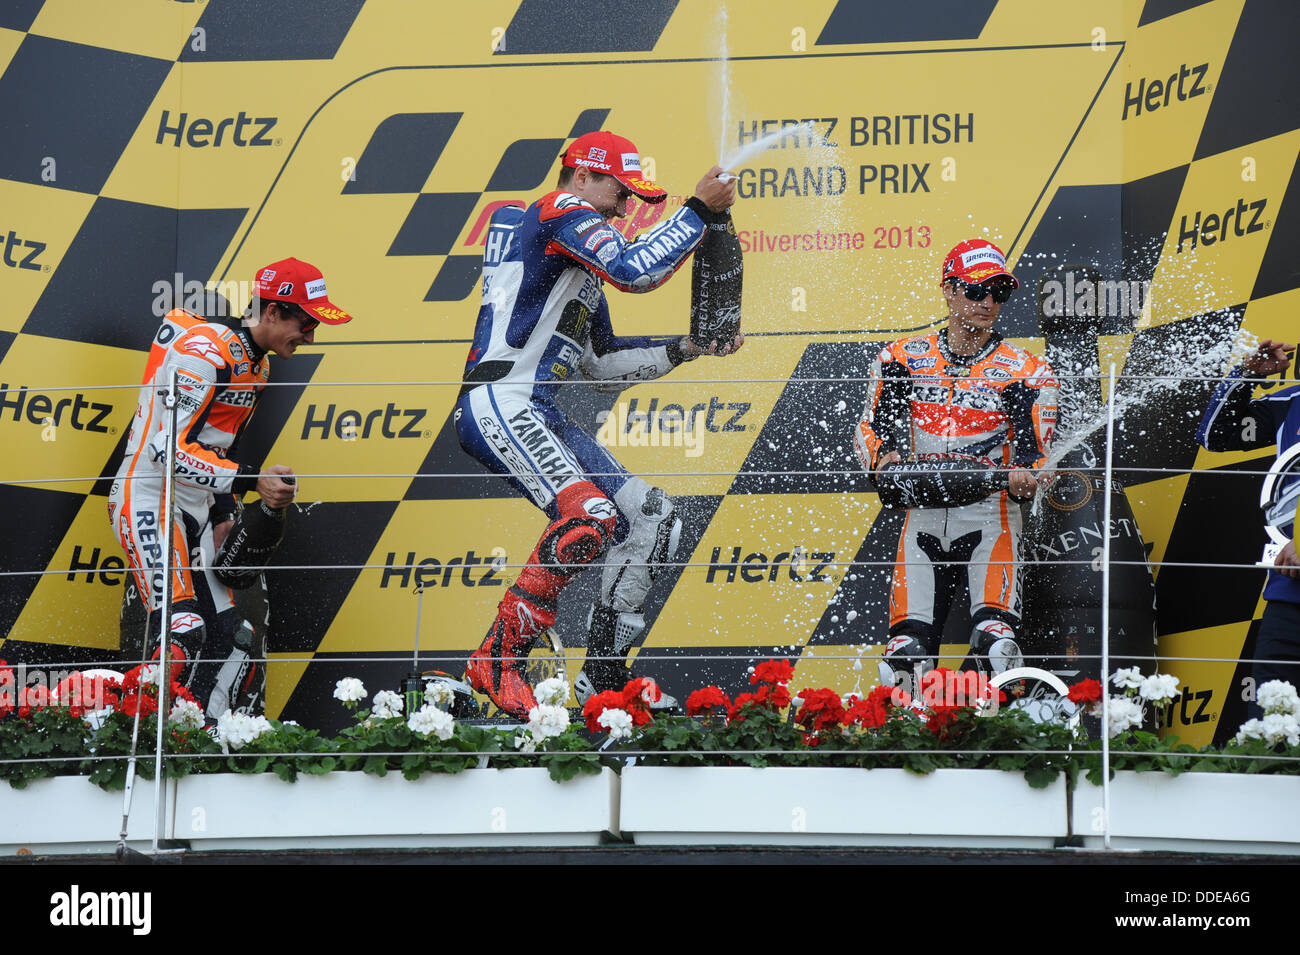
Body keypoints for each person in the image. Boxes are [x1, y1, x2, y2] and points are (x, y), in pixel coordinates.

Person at [455, 129, 741, 718]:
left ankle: (604, 684)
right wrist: (696, 211)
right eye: (620, 190)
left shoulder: (575, 258)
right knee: (589, 518)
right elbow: (637, 272)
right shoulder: (559, 208)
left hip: (541, 409)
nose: (625, 205)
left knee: (653, 520)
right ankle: (498, 659)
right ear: (581, 176)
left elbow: (603, 366)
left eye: (634, 195)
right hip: (502, 398)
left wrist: (687, 347)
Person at [109, 257, 353, 718]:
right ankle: (134, 729)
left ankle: (200, 734)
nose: (310, 337)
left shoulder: (257, 367)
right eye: (305, 323)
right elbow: (166, 448)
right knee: (182, 628)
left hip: (198, 508)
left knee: (234, 638)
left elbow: (219, 445)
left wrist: (222, 515)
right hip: (149, 496)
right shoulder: (205, 352)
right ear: (274, 312)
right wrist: (250, 480)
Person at [854, 239, 1058, 694]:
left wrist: (1031, 478)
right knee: (905, 655)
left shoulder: (1027, 371)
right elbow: (871, 428)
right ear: (948, 289)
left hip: (991, 517)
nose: (988, 302)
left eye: (999, 292)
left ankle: (993, 752)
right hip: (921, 518)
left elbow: (1035, 457)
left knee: (995, 647)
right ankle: (910, 755)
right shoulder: (901, 357)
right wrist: (883, 460)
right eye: (976, 290)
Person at [1197, 337, 1300, 716]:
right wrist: (1245, 377)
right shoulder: (1289, 401)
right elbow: (1214, 437)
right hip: (1291, 586)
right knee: (1272, 717)